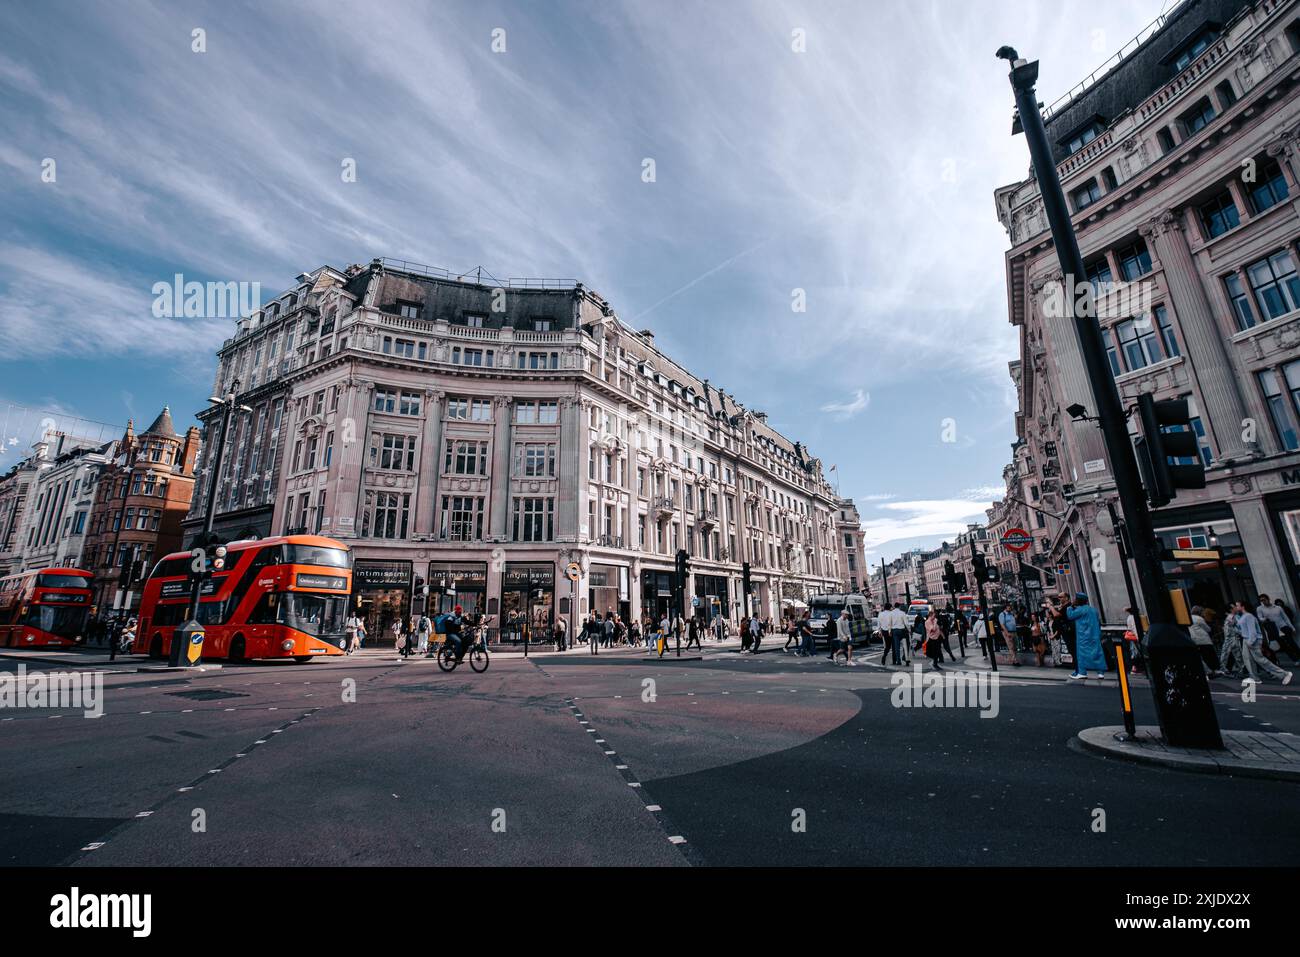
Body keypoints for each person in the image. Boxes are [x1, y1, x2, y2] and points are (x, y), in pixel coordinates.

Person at [1234, 600, 1294, 684]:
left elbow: (1253, 631)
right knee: (1248, 659)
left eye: (1237, 606)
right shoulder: (1243, 616)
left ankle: (1285, 674)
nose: (1236, 607)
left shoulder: (1249, 616)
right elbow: (1242, 630)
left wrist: (1250, 642)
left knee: (1260, 660)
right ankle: (1254, 678)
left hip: (1251, 640)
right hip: (1246, 639)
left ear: (1243, 606)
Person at [1066, 592, 1106, 680]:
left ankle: (1082, 672)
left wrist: (1069, 607)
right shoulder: (1093, 610)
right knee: (1097, 653)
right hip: (1095, 634)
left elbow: (1070, 616)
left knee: (1081, 654)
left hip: (1083, 636)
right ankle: (1100, 673)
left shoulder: (1080, 610)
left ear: (1078, 600)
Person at [1256, 594, 1300, 663]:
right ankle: (1295, 660)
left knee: (1291, 642)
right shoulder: (1260, 608)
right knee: (1284, 645)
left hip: (1284, 626)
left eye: (1264, 600)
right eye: (1261, 600)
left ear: (1268, 599)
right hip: (1274, 629)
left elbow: (1285, 618)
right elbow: (1260, 618)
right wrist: (1264, 619)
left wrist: (1292, 627)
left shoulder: (1277, 607)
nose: (1263, 602)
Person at [1188, 605, 1217, 675]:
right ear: (1199, 612)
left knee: (1202, 658)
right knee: (1209, 656)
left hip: (1194, 640)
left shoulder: (1188, 618)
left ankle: (1207, 672)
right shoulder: (1199, 618)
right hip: (1204, 640)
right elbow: (1207, 629)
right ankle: (1214, 671)